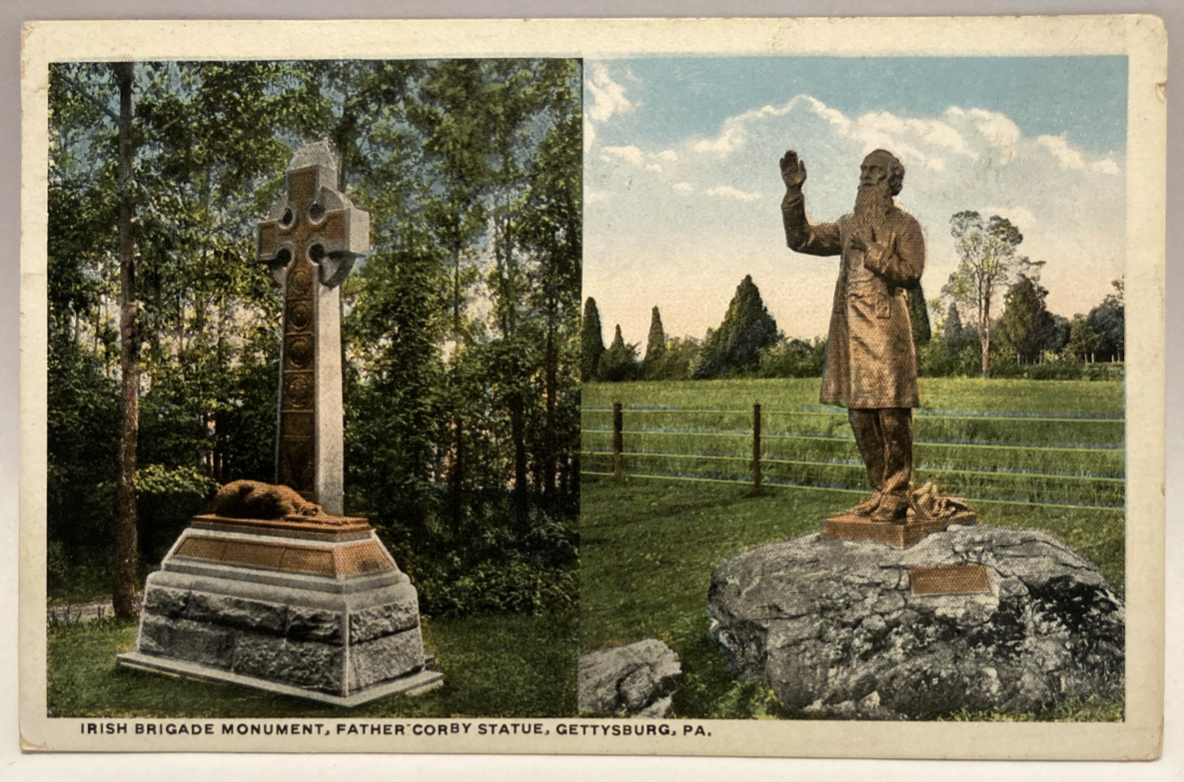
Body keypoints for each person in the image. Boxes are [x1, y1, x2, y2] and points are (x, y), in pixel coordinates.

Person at [779, 148, 925, 523]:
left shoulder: (906, 225)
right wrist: (795, 193)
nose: (864, 177)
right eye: (862, 170)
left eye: (873, 171)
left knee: (892, 415)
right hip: (851, 335)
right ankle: (882, 491)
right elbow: (802, 239)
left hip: (887, 330)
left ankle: (898, 491)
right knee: (860, 416)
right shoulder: (846, 225)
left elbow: (911, 273)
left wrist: (873, 252)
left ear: (891, 181)